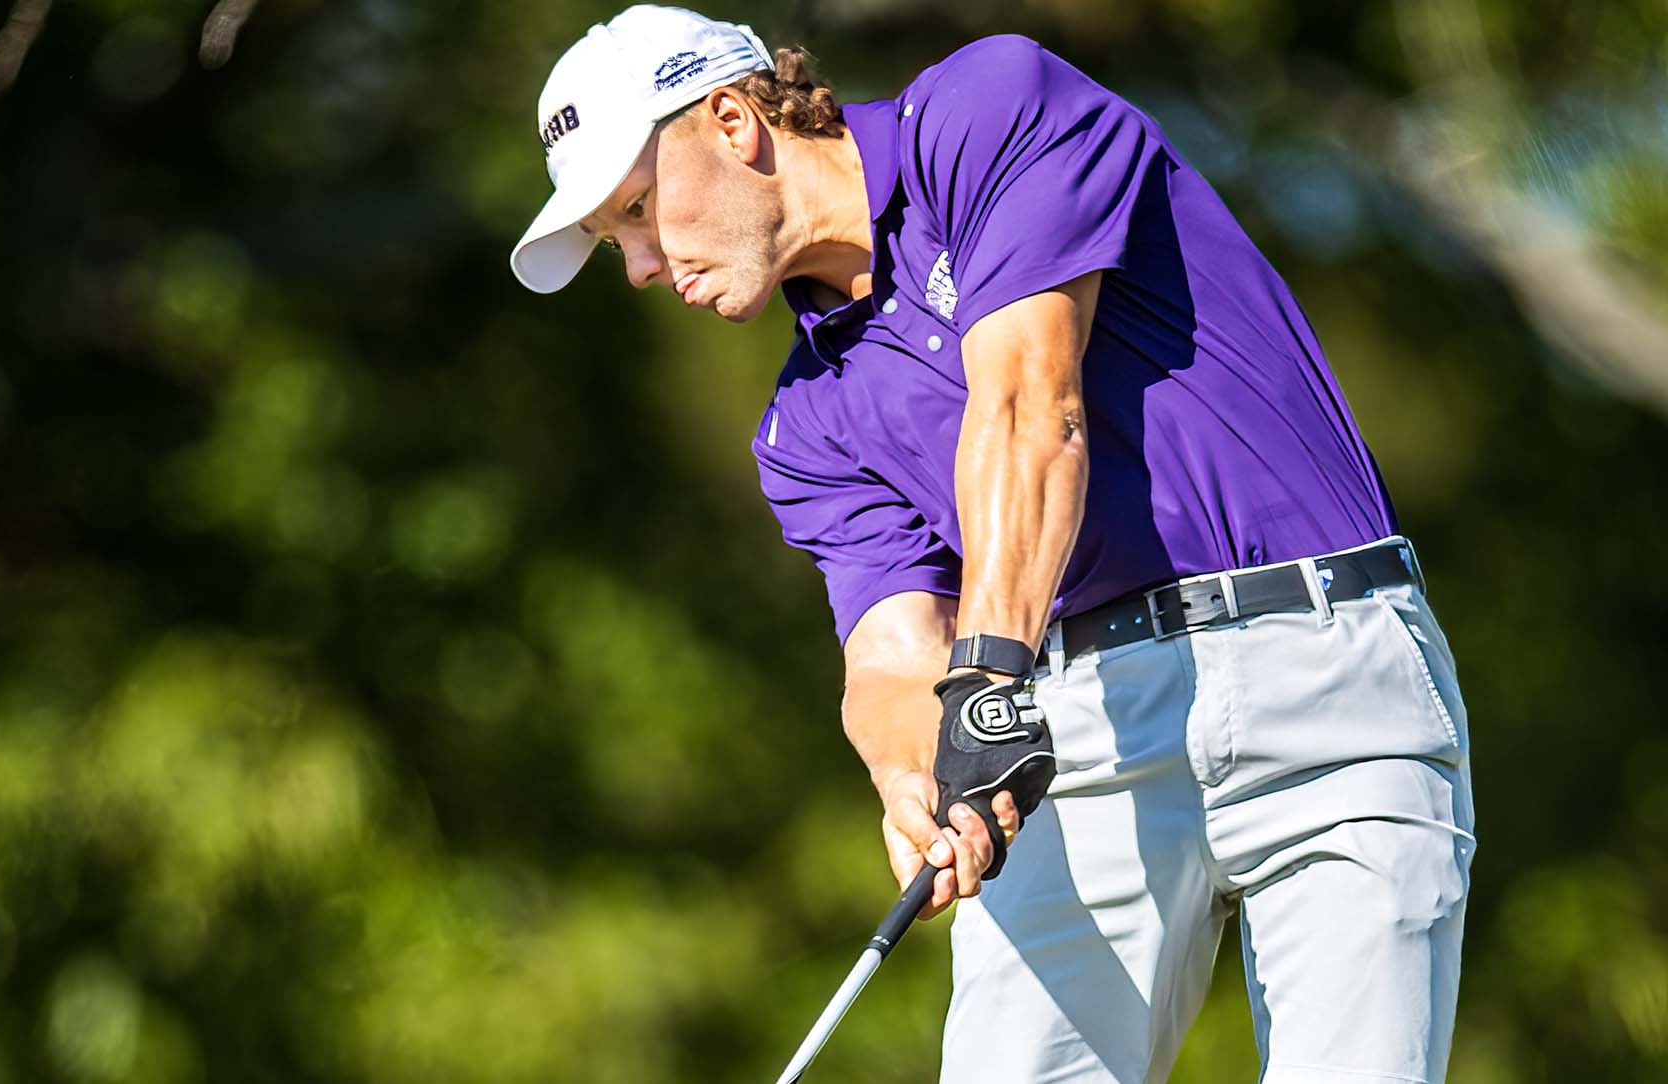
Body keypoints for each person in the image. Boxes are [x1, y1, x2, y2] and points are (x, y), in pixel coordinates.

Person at [510, 6, 1477, 1082]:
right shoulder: (804, 426)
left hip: (1323, 668)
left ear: (733, 121)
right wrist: (908, 767)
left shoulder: (985, 111)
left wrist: (985, 680)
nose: (642, 264)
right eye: (614, 242)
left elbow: (1031, 405)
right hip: (1080, 739)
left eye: (638, 210)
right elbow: (887, 655)